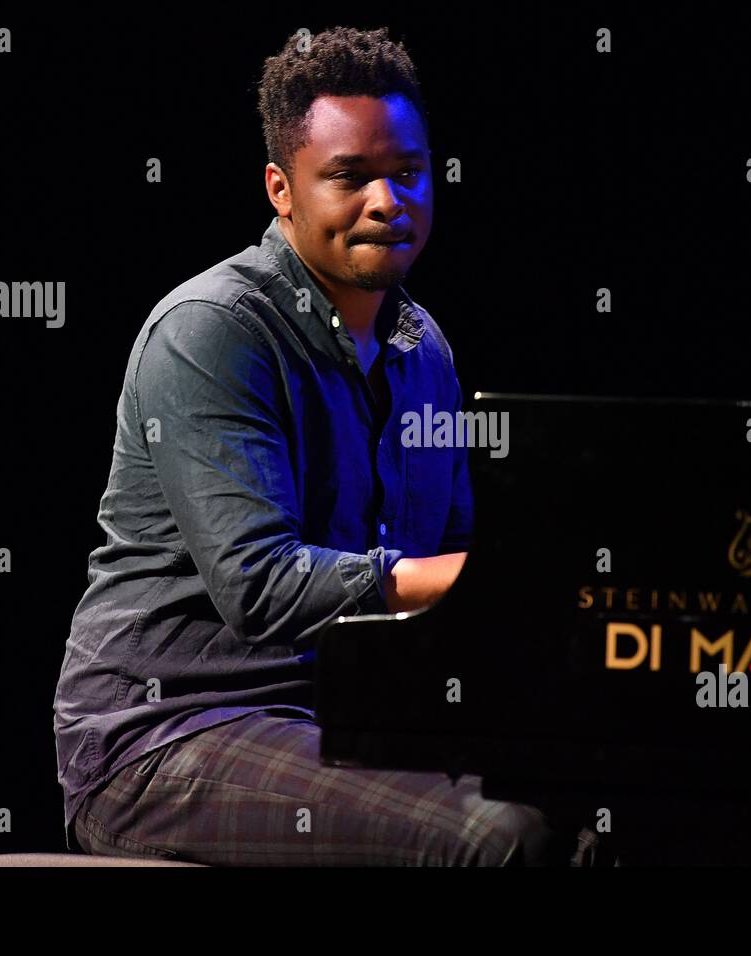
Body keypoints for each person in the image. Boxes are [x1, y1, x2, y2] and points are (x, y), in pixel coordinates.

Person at [52, 25, 616, 866]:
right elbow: (261, 586)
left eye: (409, 173)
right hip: (165, 737)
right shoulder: (212, 332)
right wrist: (487, 585)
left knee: (614, 809)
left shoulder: (423, 347)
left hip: (344, 718)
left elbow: (454, 548)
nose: (387, 201)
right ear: (281, 188)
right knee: (501, 840)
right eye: (350, 177)